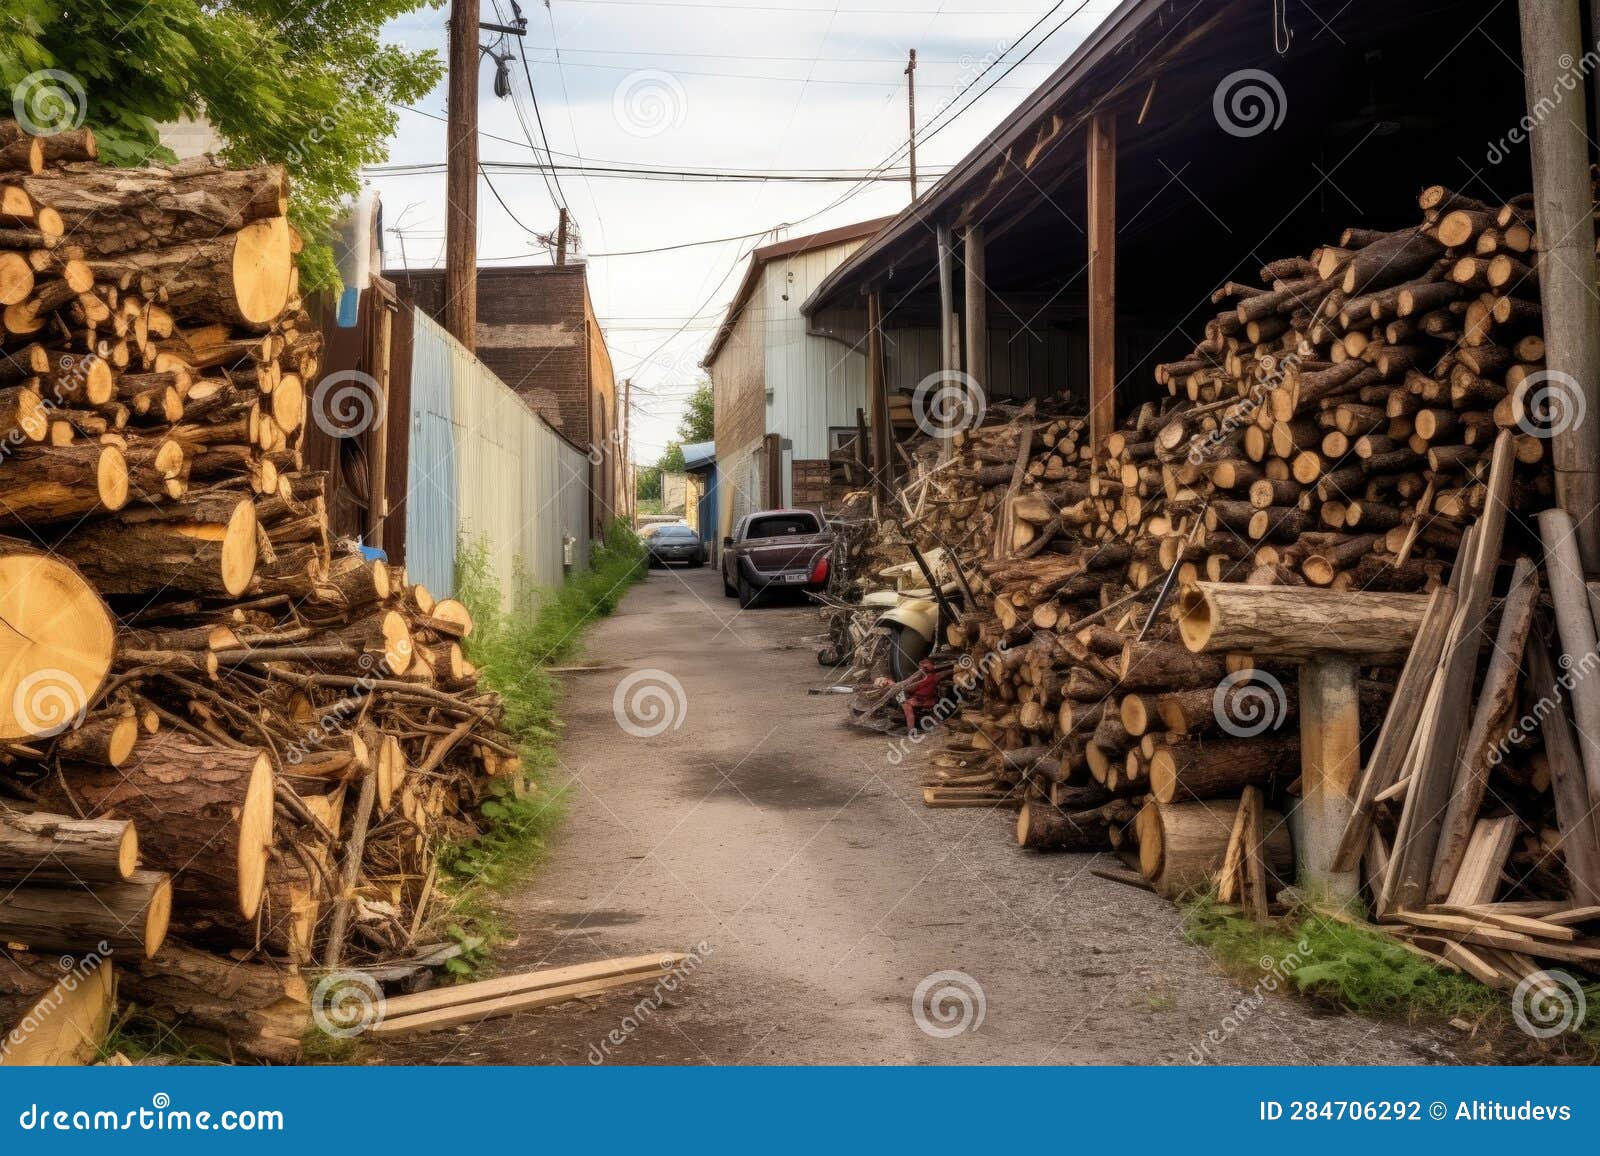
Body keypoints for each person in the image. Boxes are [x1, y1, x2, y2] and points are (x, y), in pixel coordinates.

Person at [901, 659, 943, 733]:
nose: (924, 667)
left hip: (926, 700)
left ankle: (911, 731)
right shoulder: (919, 678)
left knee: (907, 706)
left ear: (933, 666)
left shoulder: (935, 677)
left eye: (926, 665)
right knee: (905, 703)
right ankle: (911, 730)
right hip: (916, 698)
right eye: (921, 666)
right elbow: (909, 688)